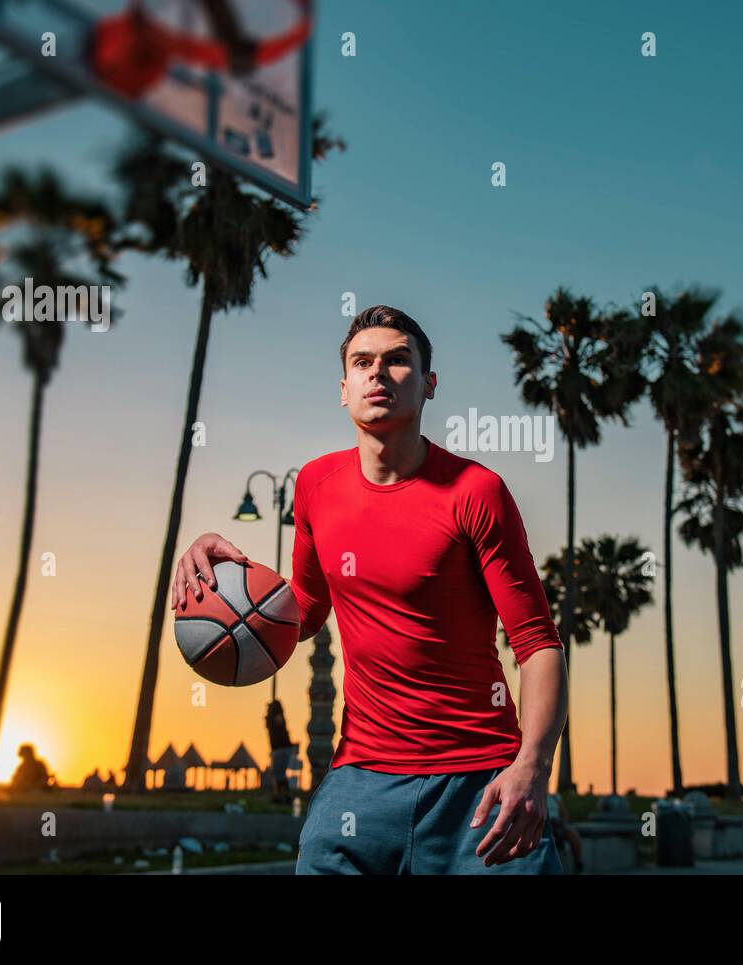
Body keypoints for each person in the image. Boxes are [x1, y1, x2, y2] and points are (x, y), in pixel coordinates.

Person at [172, 306, 568, 874]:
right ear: (344, 388)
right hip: (360, 780)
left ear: (429, 384)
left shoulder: (476, 492)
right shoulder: (314, 486)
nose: (378, 373)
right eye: (363, 363)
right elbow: (302, 612)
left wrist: (532, 766)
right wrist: (228, 583)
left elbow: (536, 643)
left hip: (479, 782)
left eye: (398, 360)